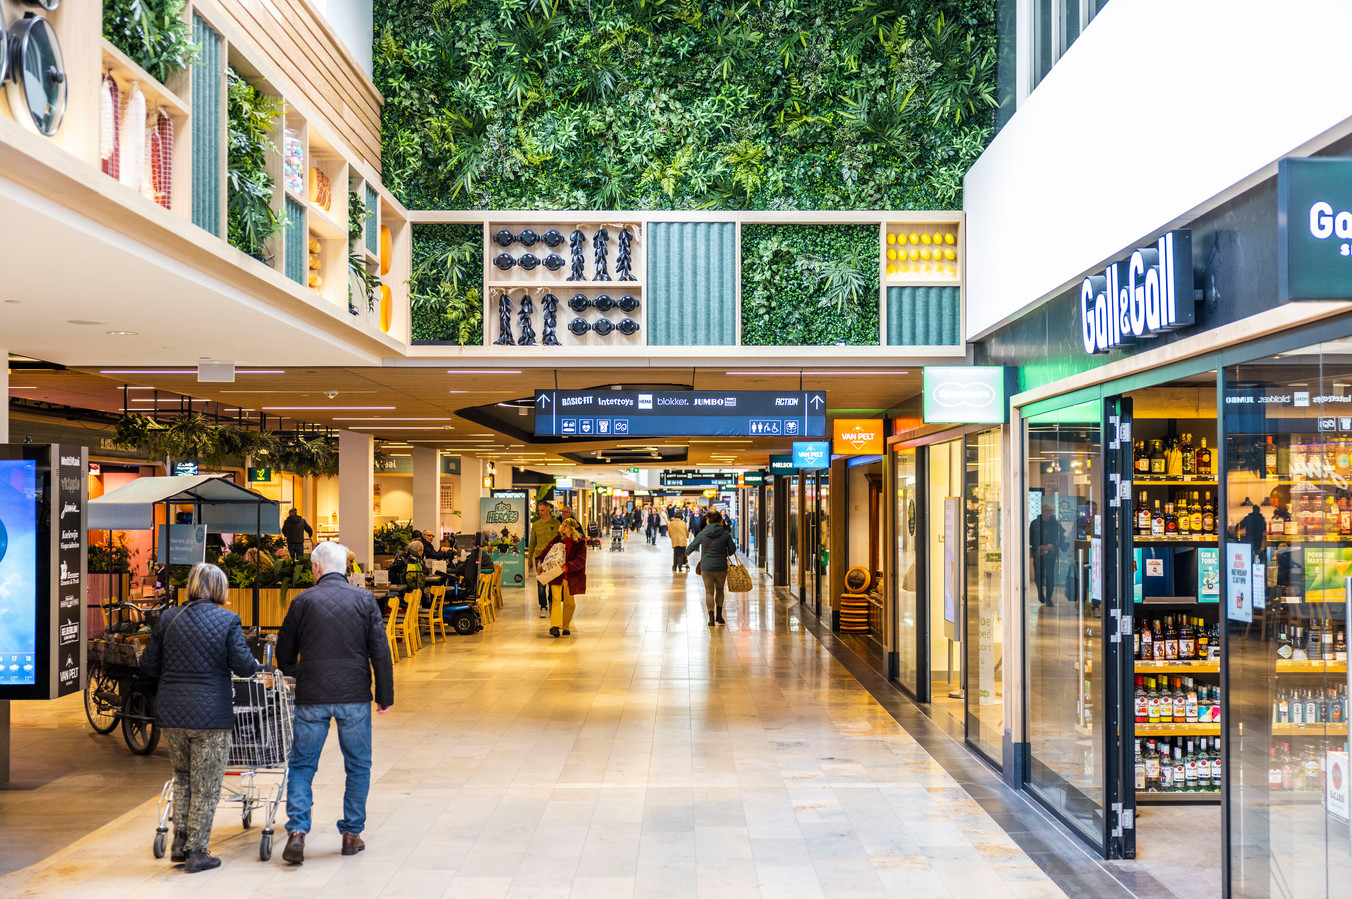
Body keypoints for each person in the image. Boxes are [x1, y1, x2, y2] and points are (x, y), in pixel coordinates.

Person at [276, 541, 394, 864]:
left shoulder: (302, 601)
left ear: (316, 568)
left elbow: (283, 652)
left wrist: (296, 673)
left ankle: (297, 832)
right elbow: (380, 651)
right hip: (354, 695)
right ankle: (351, 834)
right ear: (345, 568)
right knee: (358, 765)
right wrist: (384, 695)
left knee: (302, 765)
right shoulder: (365, 600)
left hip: (311, 695)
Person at [141, 562, 258, 873]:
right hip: (210, 716)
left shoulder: (168, 617)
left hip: (172, 713)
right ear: (220, 589)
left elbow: (149, 665)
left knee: (184, 777)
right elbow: (245, 667)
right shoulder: (228, 620)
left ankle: (179, 841)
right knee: (206, 785)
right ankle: (196, 852)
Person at [536, 517, 586, 638]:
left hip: (570, 576)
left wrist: (568, 566)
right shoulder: (558, 538)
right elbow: (547, 550)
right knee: (556, 599)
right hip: (555, 574)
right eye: (562, 524)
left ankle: (566, 626)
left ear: (572, 528)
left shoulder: (580, 542)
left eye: (565, 525)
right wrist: (539, 561)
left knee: (570, 603)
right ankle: (554, 626)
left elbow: (581, 560)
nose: (562, 527)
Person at [687, 509, 737, 626]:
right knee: (720, 590)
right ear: (720, 521)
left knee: (709, 592)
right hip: (721, 566)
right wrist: (724, 551)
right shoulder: (725, 534)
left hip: (706, 567)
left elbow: (691, 546)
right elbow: (732, 550)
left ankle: (710, 619)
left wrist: (686, 553)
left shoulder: (703, 533)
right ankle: (719, 616)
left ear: (708, 521)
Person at [525, 500, 560, 619]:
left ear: (548, 509)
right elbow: (532, 542)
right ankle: (543, 607)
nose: (540, 513)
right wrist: (529, 558)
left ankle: (551, 605)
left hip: (552, 558)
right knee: (541, 584)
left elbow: (560, 541)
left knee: (552, 583)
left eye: (542, 510)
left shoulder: (556, 524)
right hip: (539, 557)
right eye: (539, 510)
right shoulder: (536, 524)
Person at [1029, 504, 1063, 606]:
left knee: (1050, 576)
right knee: (1038, 575)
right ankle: (1040, 593)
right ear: (1042, 512)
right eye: (1047, 511)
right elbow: (1030, 537)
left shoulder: (1055, 524)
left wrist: (1053, 545)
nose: (1049, 513)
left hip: (1051, 553)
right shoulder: (1035, 523)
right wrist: (1038, 546)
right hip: (1039, 552)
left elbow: (1061, 537)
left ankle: (1049, 598)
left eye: (1050, 511)